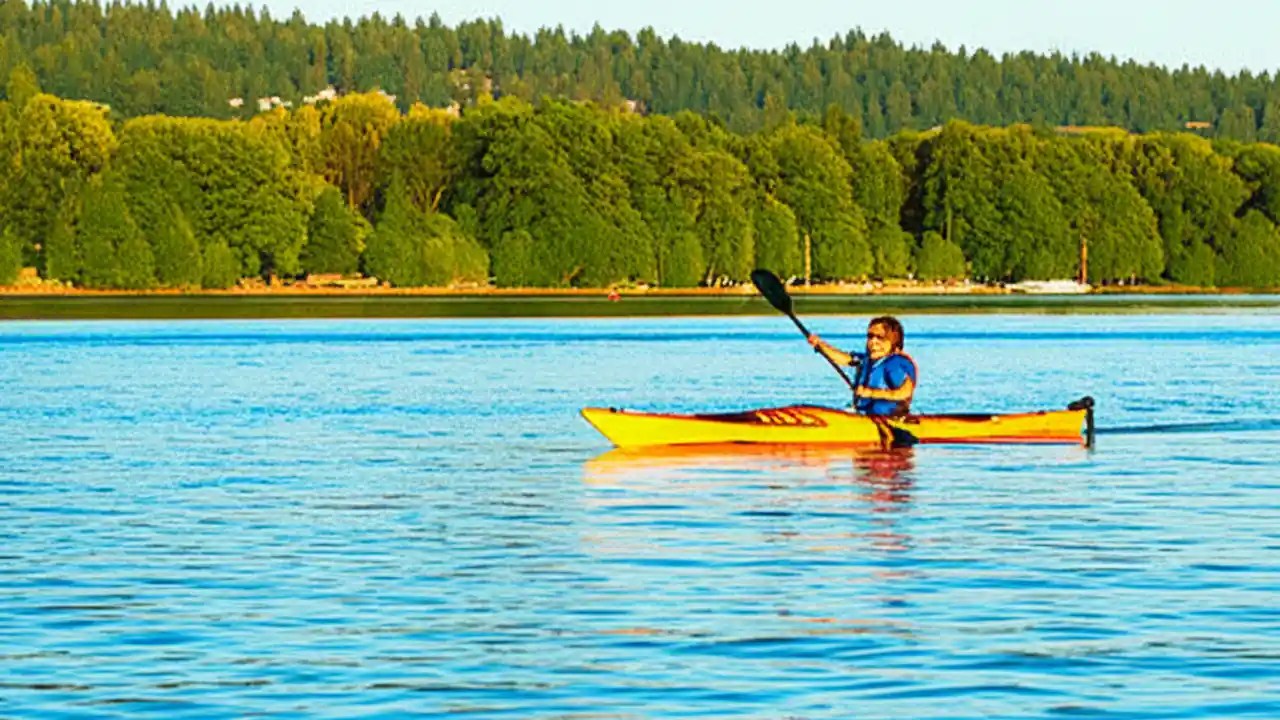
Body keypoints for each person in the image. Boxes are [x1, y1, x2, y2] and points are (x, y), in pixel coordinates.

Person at [807, 316, 917, 416]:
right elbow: (844, 359)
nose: (873, 342)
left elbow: (905, 392)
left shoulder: (895, 363)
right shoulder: (866, 360)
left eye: (880, 337)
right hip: (865, 414)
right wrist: (820, 345)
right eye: (870, 336)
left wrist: (871, 393)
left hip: (890, 417)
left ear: (894, 342)